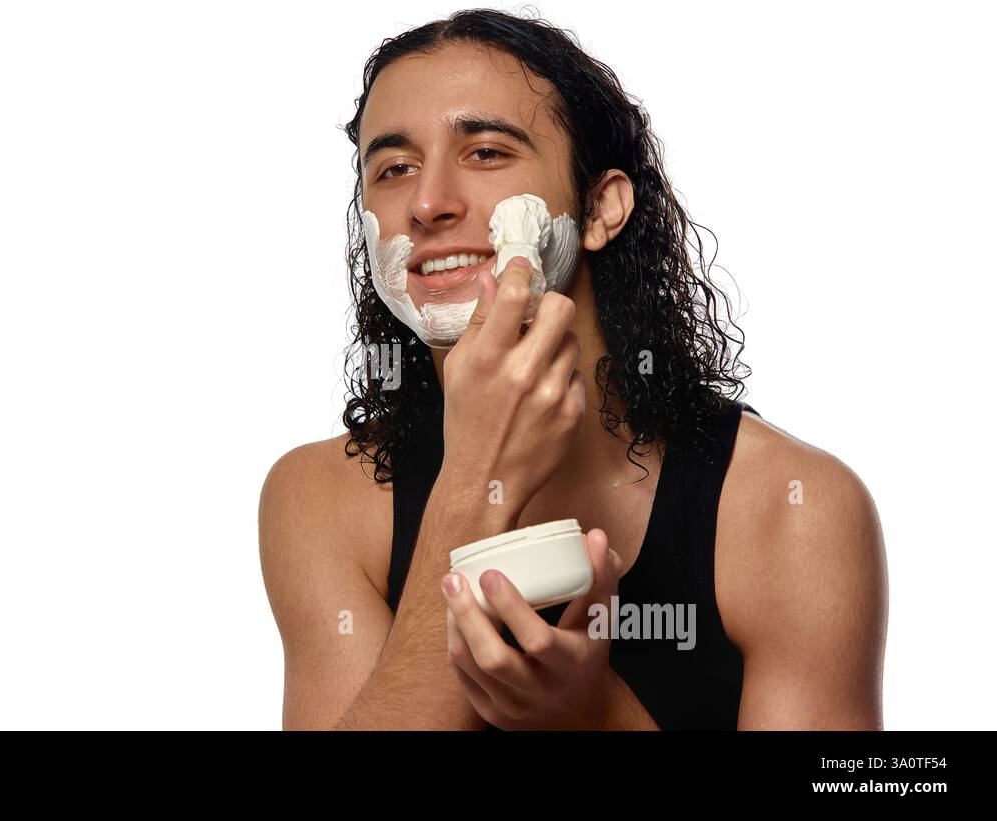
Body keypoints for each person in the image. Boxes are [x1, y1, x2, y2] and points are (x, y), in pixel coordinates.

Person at [258, 9, 887, 730]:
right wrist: (472, 480)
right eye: (394, 168)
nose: (428, 203)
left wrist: (597, 717)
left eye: (486, 152)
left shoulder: (791, 509)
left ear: (599, 207)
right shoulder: (322, 501)